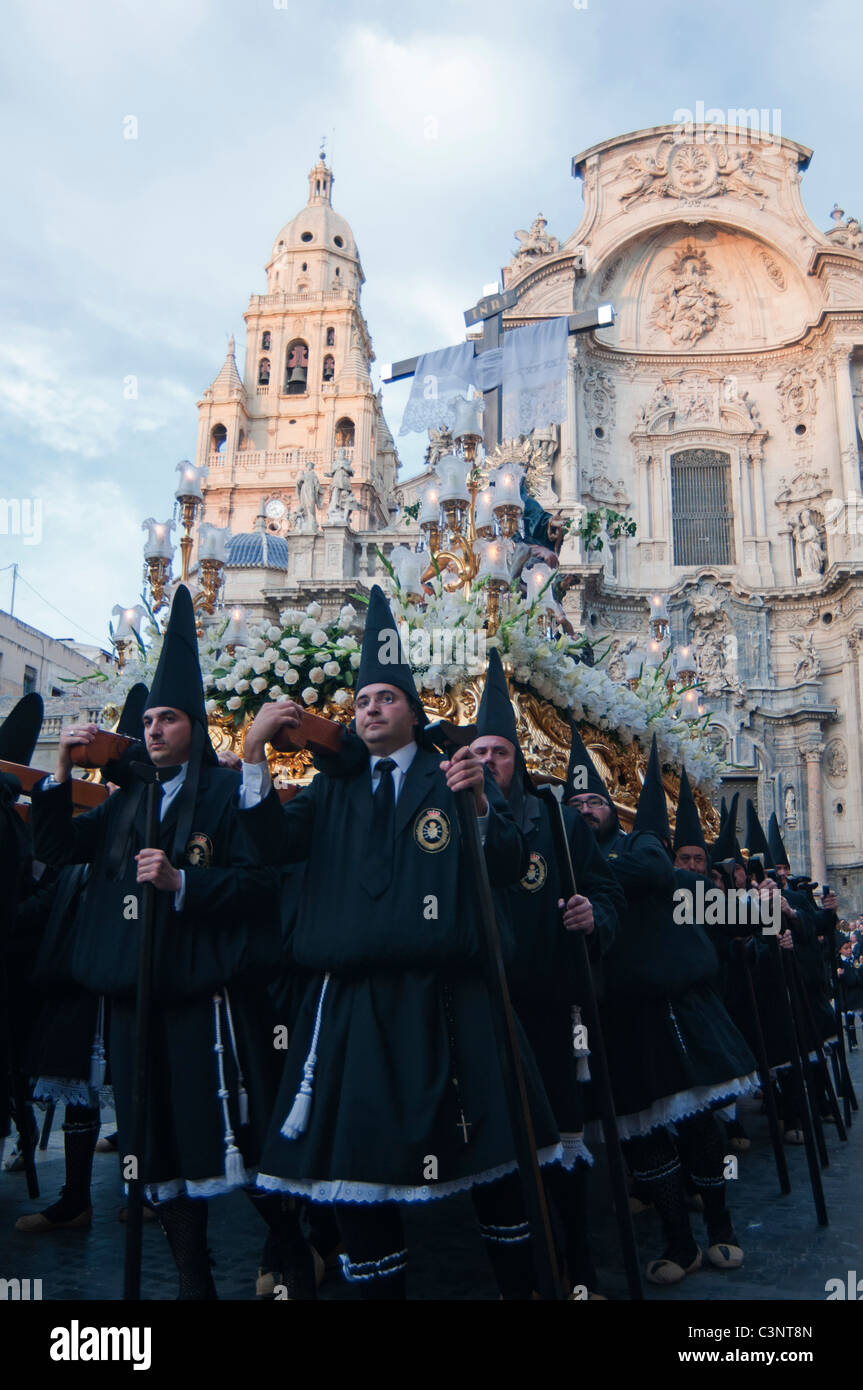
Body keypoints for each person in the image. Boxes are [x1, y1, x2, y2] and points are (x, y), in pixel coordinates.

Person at [237, 585, 564, 1300]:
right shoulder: (332, 790)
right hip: (353, 1007)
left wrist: (480, 802)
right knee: (360, 1178)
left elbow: (507, 865)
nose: (370, 711)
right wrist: (254, 752)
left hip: (453, 1000)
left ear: (413, 711)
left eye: (385, 698)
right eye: (361, 703)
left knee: (494, 1167)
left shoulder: (453, 774)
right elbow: (268, 846)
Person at [31, 586, 312, 1300]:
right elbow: (61, 849)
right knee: (150, 1146)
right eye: (148, 720)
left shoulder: (226, 795)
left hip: (206, 1002)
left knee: (234, 1138)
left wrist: (185, 884)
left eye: (167, 719)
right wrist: (61, 775)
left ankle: (289, 1242)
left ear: (195, 724)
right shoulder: (127, 801)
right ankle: (194, 1282)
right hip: (134, 996)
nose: (153, 730)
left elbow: (261, 882)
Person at [567, 730, 757, 1285]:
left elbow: (655, 874)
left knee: (699, 1126)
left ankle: (721, 1227)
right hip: (617, 1020)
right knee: (644, 1141)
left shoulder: (640, 846)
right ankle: (680, 1241)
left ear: (612, 810)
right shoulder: (561, 863)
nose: (585, 811)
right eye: (574, 805)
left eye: (594, 801)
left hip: (674, 1010)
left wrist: (572, 870)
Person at [469, 649, 623, 1295]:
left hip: (548, 1004)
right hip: (479, 1008)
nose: (487, 763)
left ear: (517, 760)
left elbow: (604, 888)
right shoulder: (449, 822)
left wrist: (594, 915)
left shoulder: (557, 823)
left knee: (561, 1142)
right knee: (493, 1144)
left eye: (499, 752)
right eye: (477, 752)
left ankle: (574, 1255)